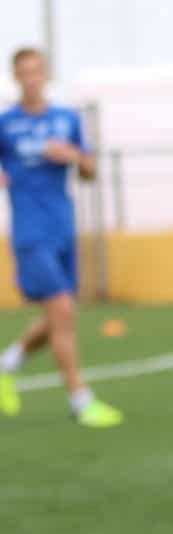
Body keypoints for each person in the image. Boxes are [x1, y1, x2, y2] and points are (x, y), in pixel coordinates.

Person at [0, 46, 122, 427]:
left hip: (62, 229)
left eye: (36, 70)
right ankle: (79, 400)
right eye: (24, 72)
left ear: (46, 74)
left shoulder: (66, 119)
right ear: (15, 77)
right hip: (29, 232)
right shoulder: (5, 124)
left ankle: (6, 364)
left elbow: (90, 171)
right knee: (62, 311)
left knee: (61, 313)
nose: (30, 78)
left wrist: (72, 155)